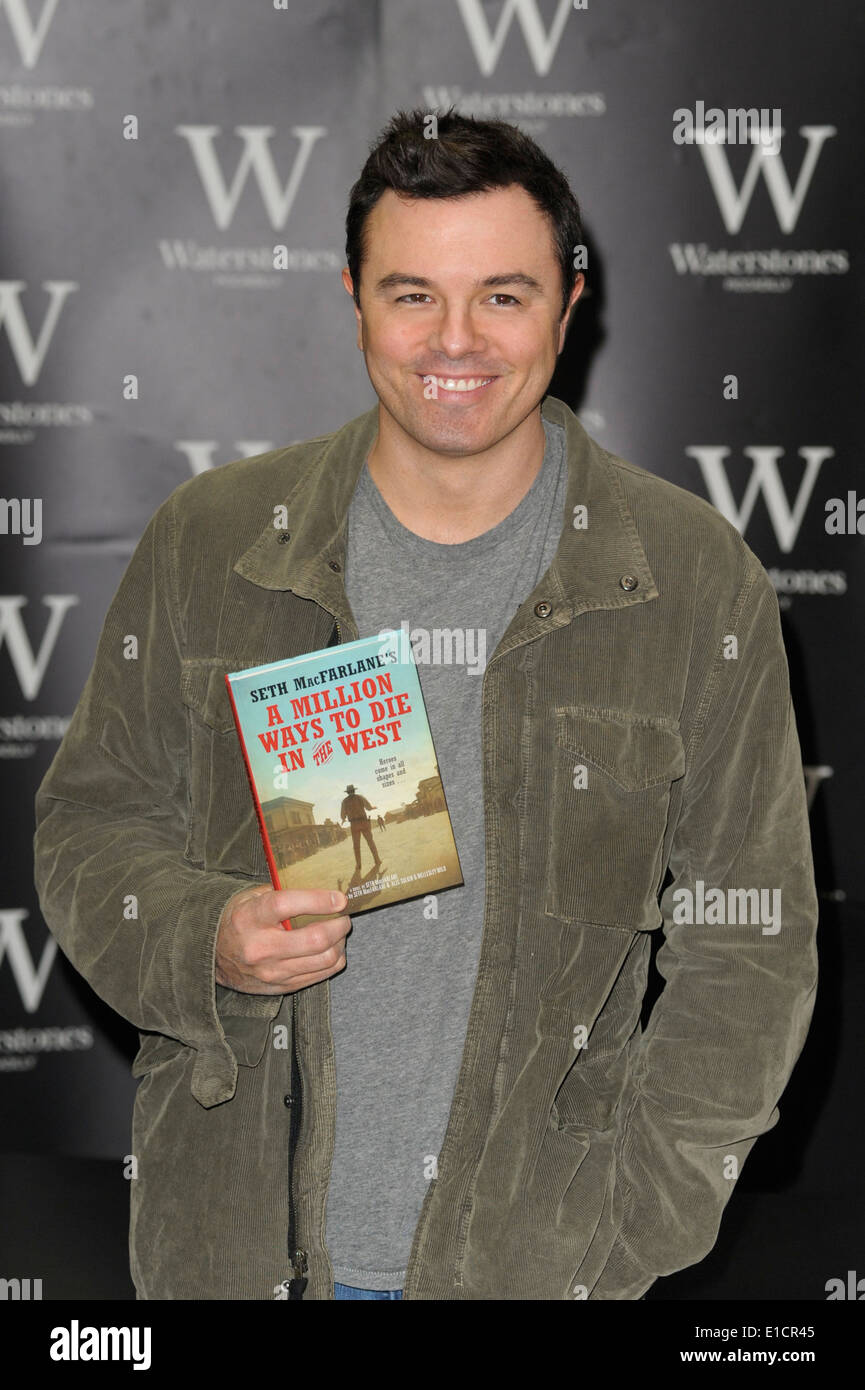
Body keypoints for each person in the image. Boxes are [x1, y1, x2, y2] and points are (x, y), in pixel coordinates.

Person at [32, 108, 818, 1302]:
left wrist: (625, 1241)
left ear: (569, 299)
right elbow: (87, 831)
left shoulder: (694, 579)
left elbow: (749, 947)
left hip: (535, 1269)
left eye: (502, 295)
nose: (456, 340)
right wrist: (203, 935)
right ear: (354, 297)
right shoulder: (213, 541)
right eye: (412, 296)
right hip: (232, 1259)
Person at [339, 784, 381, 872]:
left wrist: (343, 820)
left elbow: (343, 815)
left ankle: (358, 865)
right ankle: (377, 860)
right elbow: (369, 808)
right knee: (370, 842)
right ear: (354, 791)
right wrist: (373, 808)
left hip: (354, 824)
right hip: (363, 822)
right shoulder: (360, 797)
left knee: (356, 846)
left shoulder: (344, 801)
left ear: (347, 792)